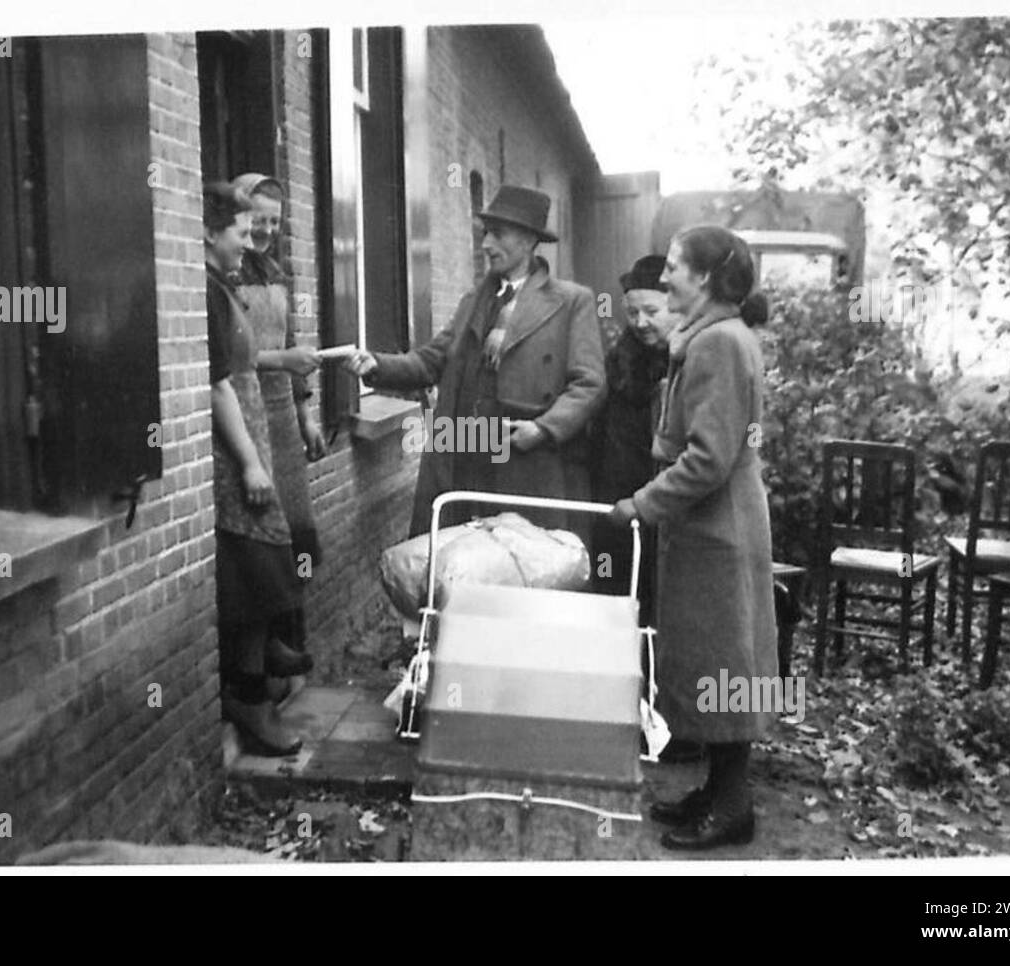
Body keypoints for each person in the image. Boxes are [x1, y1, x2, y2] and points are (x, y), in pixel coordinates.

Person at [609, 225, 776, 849]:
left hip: (718, 529)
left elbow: (707, 459)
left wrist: (641, 505)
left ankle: (733, 807)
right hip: (709, 527)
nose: (666, 277)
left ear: (704, 278)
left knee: (724, 660)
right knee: (714, 659)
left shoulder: (719, 346)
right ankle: (718, 791)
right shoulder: (709, 338)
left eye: (675, 267)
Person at [345, 185, 606, 536]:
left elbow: (589, 383)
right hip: (467, 451)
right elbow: (432, 361)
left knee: (522, 563)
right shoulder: (474, 301)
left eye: (498, 234)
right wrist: (376, 364)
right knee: (463, 559)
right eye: (486, 234)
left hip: (526, 460)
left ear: (529, 241)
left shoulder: (572, 302)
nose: (486, 244)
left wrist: (544, 429)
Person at [203, 181, 304, 757]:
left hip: (250, 432)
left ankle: (264, 662)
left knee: (266, 562)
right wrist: (249, 463)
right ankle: (248, 697)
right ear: (210, 233)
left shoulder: (227, 284)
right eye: (240, 232)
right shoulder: (210, 293)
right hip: (229, 450)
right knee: (251, 571)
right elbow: (218, 386)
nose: (248, 242)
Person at [231, 173, 323, 695]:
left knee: (297, 528)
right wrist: (281, 360)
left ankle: (280, 640)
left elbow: (290, 341)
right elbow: (229, 355)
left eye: (274, 221)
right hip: (245, 408)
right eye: (257, 220)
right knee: (261, 533)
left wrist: (307, 412)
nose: (265, 231)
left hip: (283, 413)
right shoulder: (225, 270)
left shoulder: (277, 270)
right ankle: (256, 663)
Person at [590, 255, 677, 622]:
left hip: (668, 500)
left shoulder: (690, 361)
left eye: (652, 311)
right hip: (618, 497)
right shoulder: (618, 360)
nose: (641, 322)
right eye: (633, 312)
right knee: (618, 591)